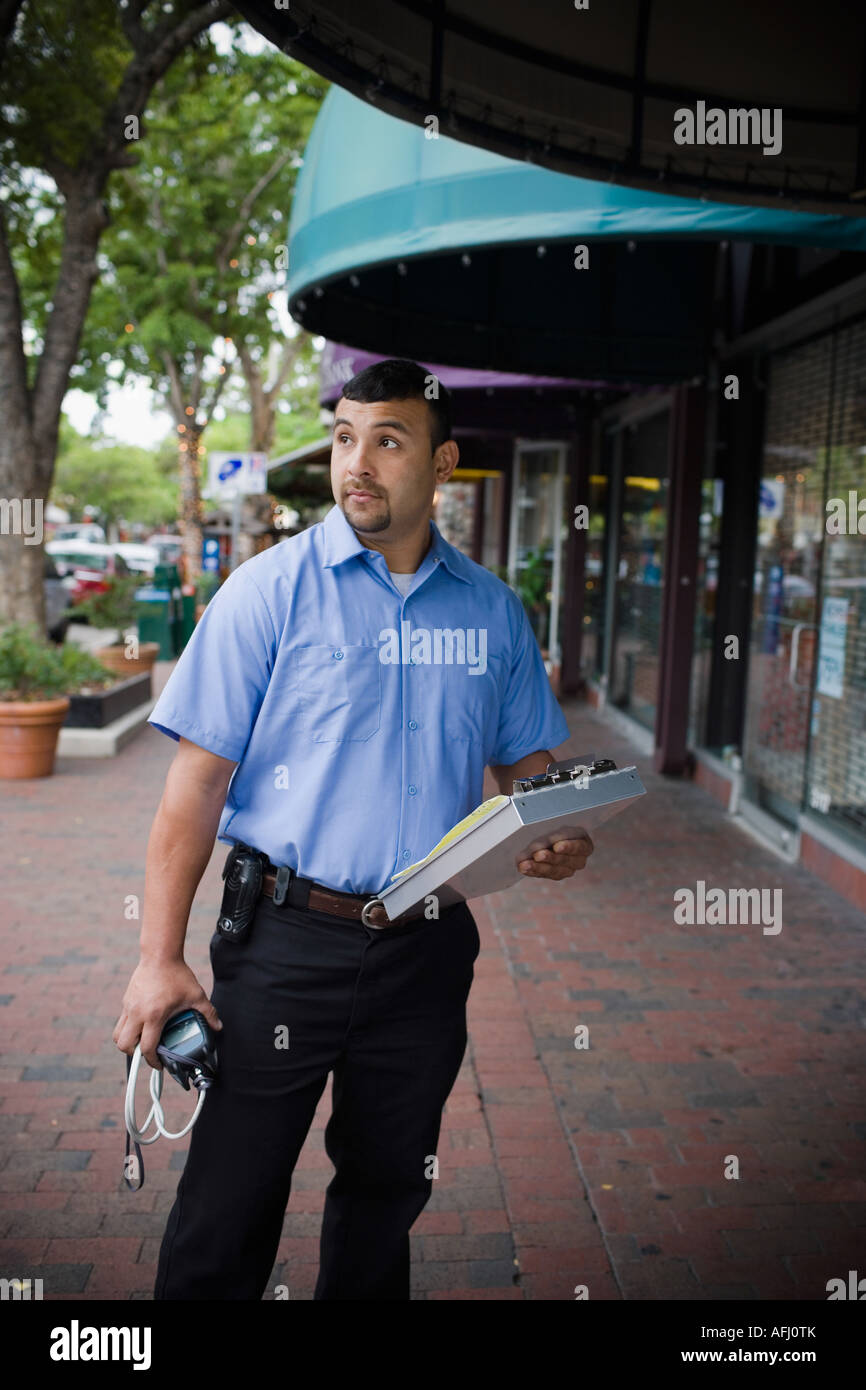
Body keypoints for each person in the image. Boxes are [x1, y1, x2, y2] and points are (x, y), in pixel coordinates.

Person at [112, 358, 594, 1301]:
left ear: (442, 461)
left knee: (384, 1199)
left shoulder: (492, 613)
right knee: (228, 1204)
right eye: (344, 439)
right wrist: (157, 955)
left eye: (387, 440)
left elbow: (530, 771)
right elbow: (194, 787)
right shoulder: (268, 592)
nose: (357, 464)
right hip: (284, 943)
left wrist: (561, 830)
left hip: (426, 952)